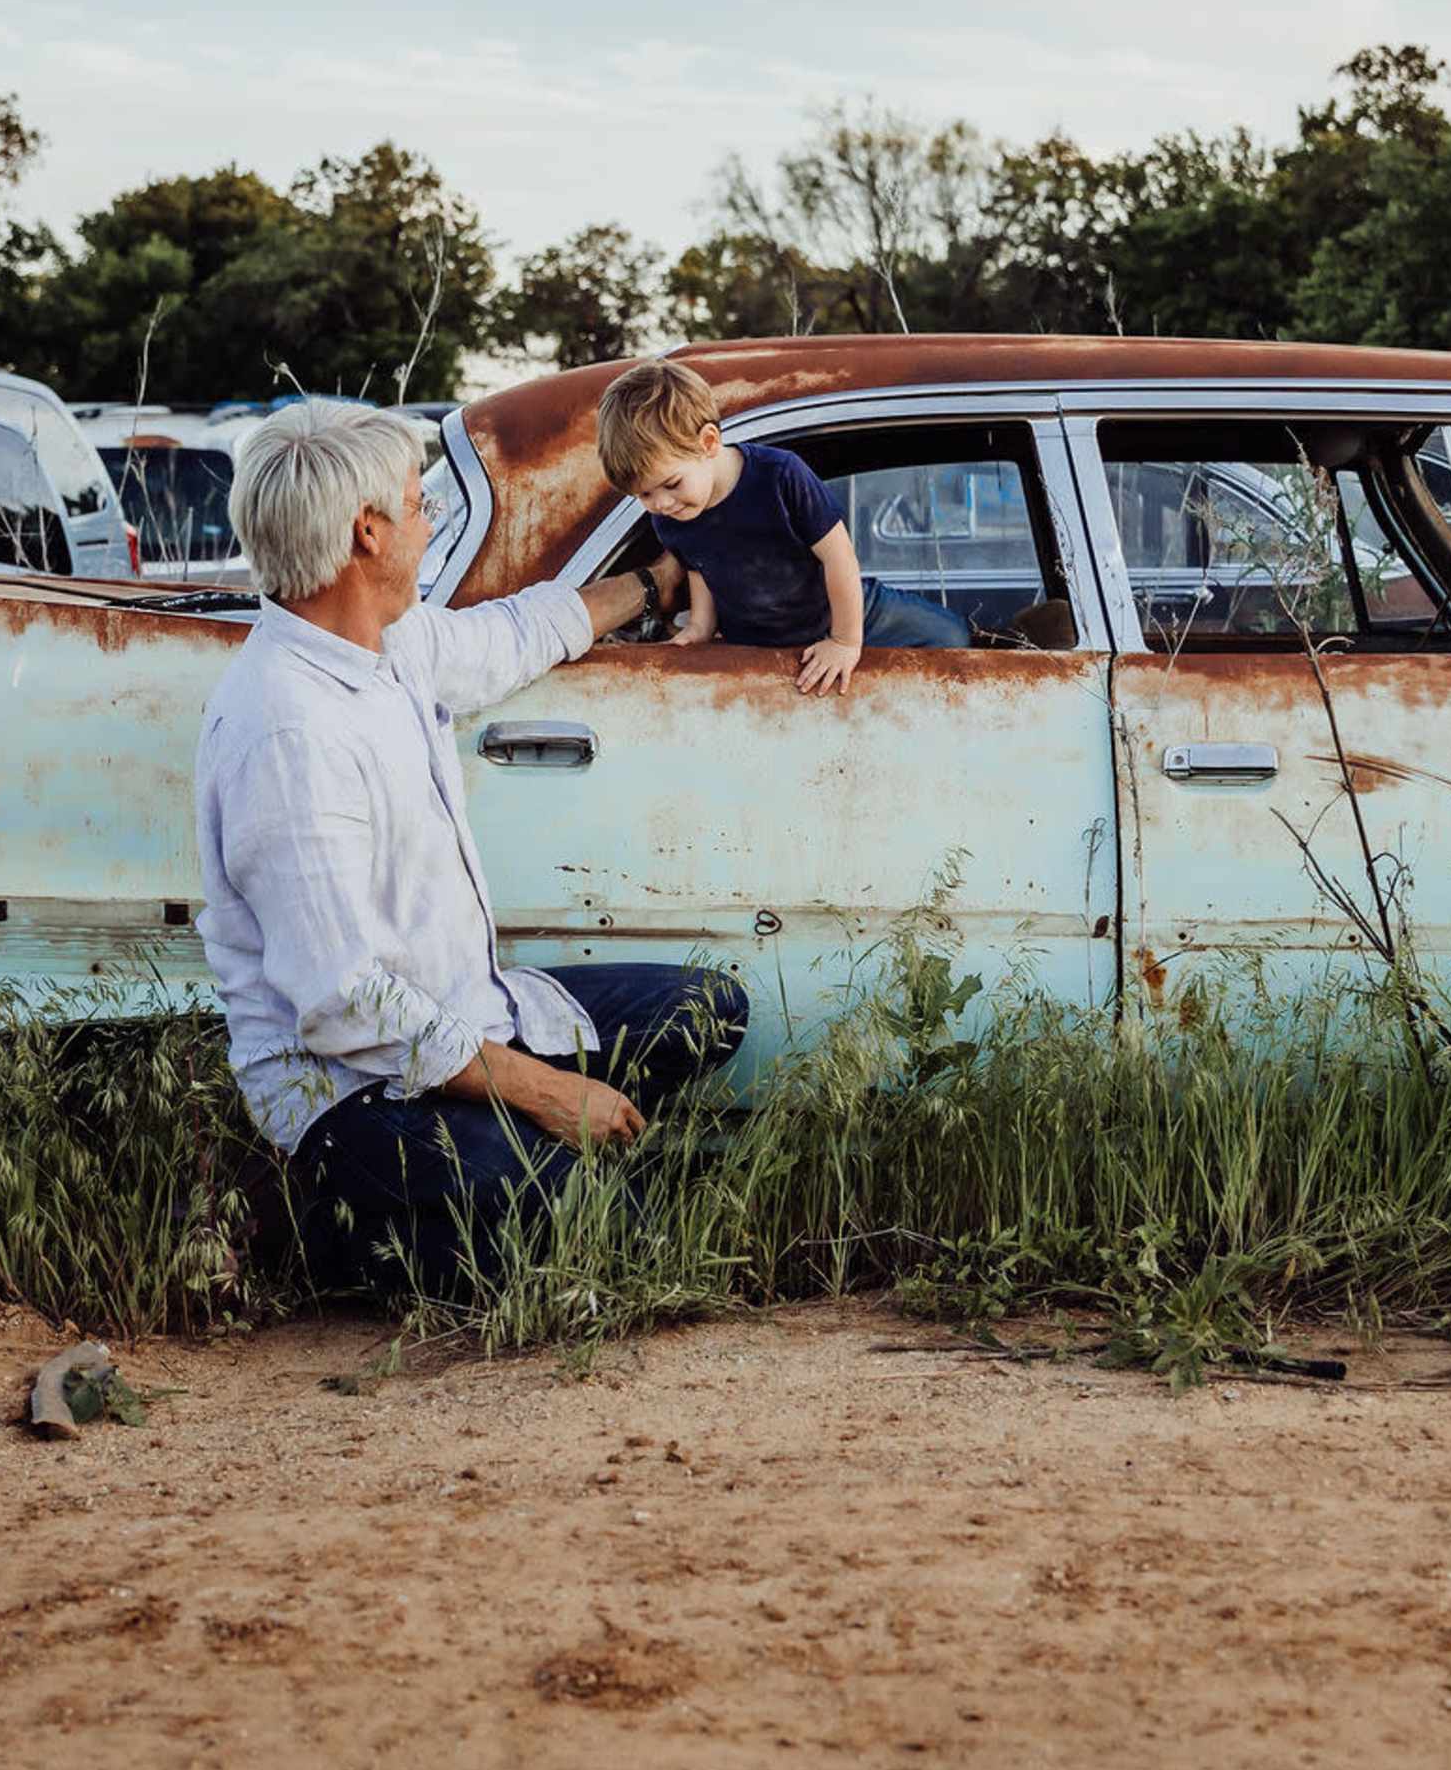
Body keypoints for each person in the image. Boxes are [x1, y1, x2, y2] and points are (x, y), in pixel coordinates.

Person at [193, 400, 744, 1282]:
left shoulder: (386, 642)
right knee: (612, 1229)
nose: (431, 518)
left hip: (464, 1018)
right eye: (418, 505)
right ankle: (332, 1236)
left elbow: (517, 633)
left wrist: (652, 585)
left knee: (707, 1008)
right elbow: (345, 1005)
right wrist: (553, 1094)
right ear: (367, 534)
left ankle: (495, 1167)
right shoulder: (286, 729)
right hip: (356, 1095)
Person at [596, 356, 968, 694]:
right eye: (643, 495)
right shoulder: (671, 516)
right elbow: (698, 565)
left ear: (708, 443)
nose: (660, 503)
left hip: (845, 612)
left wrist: (844, 641)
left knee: (954, 637)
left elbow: (839, 558)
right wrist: (700, 626)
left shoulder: (780, 476)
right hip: (761, 639)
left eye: (671, 484)